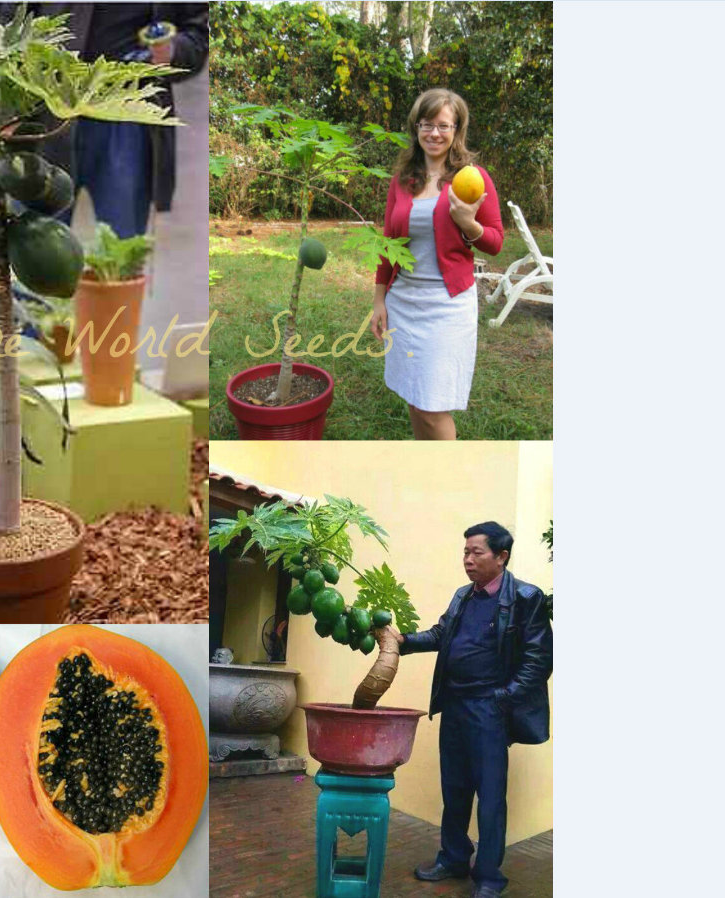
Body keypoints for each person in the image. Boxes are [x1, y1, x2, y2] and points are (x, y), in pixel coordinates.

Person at [396, 522, 552, 898]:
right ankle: (452, 858)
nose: (467, 559)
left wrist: (504, 698)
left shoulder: (525, 597)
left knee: (491, 796)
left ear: (501, 557)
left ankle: (488, 876)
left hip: (490, 710)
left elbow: (539, 658)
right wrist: (403, 641)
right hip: (455, 705)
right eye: (465, 551)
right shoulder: (463, 596)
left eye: (476, 552)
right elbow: (441, 634)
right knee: (455, 789)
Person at [0, 3, 209, 237]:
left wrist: (173, 50)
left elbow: (198, 30)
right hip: (47, 105)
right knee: (35, 245)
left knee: (120, 255)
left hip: (127, 114)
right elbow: (12, 20)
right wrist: (7, 108)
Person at [369, 88, 504, 440]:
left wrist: (469, 224)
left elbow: (495, 242)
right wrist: (379, 301)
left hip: (447, 305)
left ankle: (450, 480)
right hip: (404, 303)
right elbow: (388, 244)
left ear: (456, 129)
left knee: (432, 405)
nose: (434, 133)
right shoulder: (403, 181)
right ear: (417, 128)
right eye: (427, 124)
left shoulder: (471, 179)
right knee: (416, 399)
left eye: (443, 125)